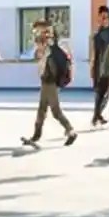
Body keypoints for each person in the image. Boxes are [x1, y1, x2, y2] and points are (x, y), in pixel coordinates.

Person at [22, 19, 78, 147]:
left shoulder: (50, 44)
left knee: (55, 111)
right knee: (42, 109)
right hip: (46, 81)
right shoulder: (46, 43)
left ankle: (71, 131)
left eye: (38, 29)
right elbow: (38, 56)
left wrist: (42, 44)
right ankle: (36, 135)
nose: (36, 32)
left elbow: (44, 54)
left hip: (50, 81)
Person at [90, 5, 109, 127]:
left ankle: (97, 115)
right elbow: (95, 53)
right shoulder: (99, 35)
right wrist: (94, 67)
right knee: (101, 92)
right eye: (103, 17)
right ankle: (96, 116)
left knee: (104, 92)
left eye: (107, 17)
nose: (105, 20)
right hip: (101, 67)